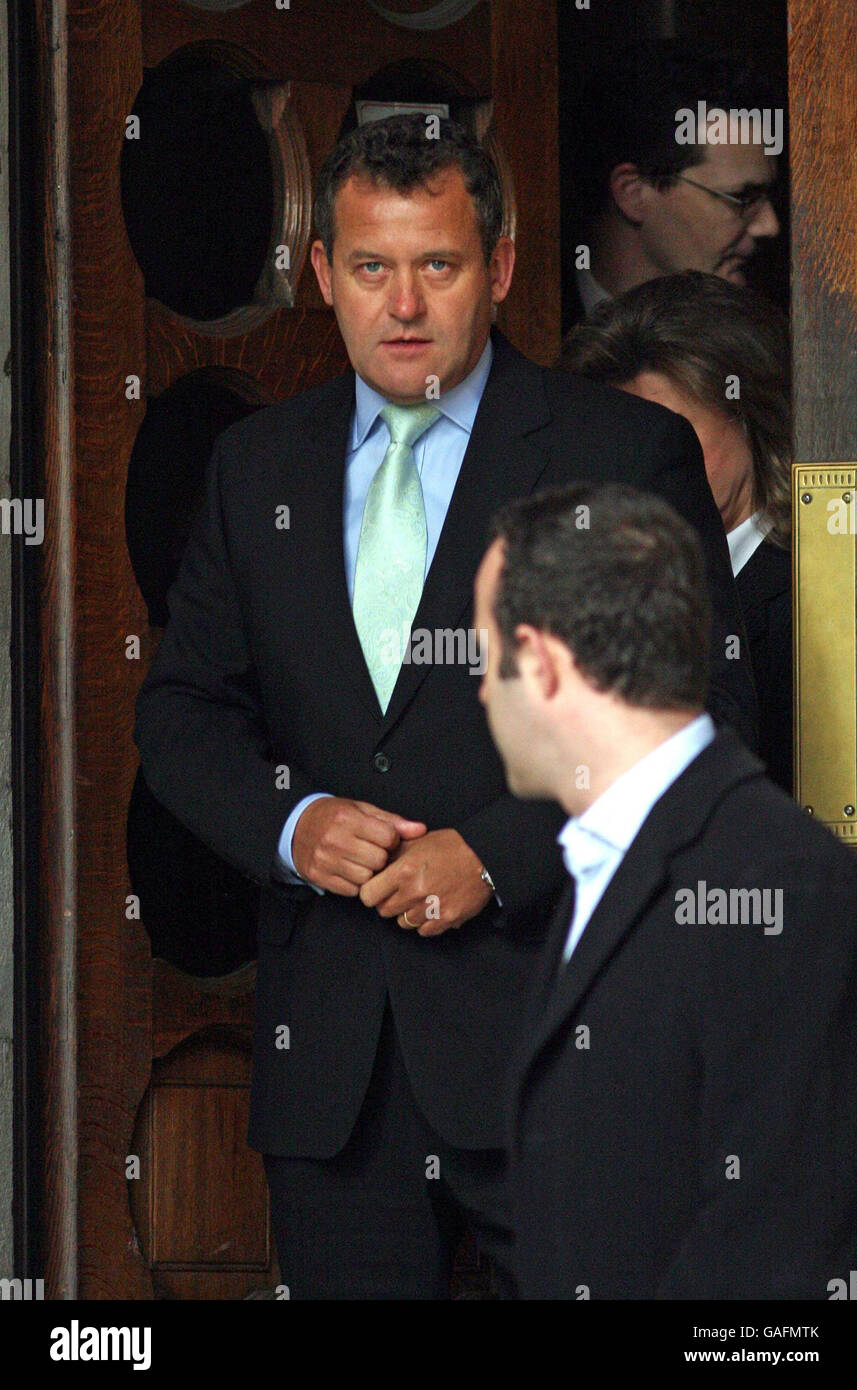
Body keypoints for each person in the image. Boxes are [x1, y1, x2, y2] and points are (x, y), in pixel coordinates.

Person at [134, 114, 755, 1300]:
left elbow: (705, 715)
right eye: (370, 268)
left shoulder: (622, 451)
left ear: (503, 267)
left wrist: (504, 852)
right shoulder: (256, 466)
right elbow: (182, 714)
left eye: (439, 265)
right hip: (335, 1081)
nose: (402, 304)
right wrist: (292, 819)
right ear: (321, 274)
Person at [474, 482, 857, 1299]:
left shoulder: (780, 882)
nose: (479, 689)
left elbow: (782, 1254)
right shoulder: (600, 858)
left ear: (540, 665)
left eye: (486, 655)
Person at [561, 270, 792, 791]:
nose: (646, 467)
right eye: (619, 446)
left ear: (751, 419)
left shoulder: (817, 592)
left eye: (673, 439)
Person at [562, 42, 781, 324]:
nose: (770, 225)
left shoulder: (767, 329)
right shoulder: (536, 332)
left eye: (768, 195)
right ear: (632, 192)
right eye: (742, 197)